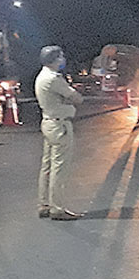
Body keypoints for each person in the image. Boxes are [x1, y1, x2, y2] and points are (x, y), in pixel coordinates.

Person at [35, 45, 84, 221]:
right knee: (59, 168)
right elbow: (77, 98)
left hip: (49, 123)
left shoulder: (42, 76)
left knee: (47, 166)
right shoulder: (54, 79)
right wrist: (72, 94)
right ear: (54, 60)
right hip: (59, 125)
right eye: (60, 57)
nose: (63, 60)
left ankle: (44, 204)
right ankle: (57, 208)